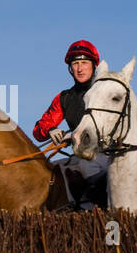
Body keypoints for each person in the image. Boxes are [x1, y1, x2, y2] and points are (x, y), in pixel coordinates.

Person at [33, 40, 109, 209]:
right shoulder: (64, 97)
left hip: (108, 155)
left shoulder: (107, 91)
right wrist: (50, 130)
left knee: (85, 166)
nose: (79, 68)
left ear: (93, 65)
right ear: (70, 68)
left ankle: (92, 210)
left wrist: (75, 137)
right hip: (81, 156)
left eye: (84, 63)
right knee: (48, 170)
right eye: (75, 63)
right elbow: (38, 130)